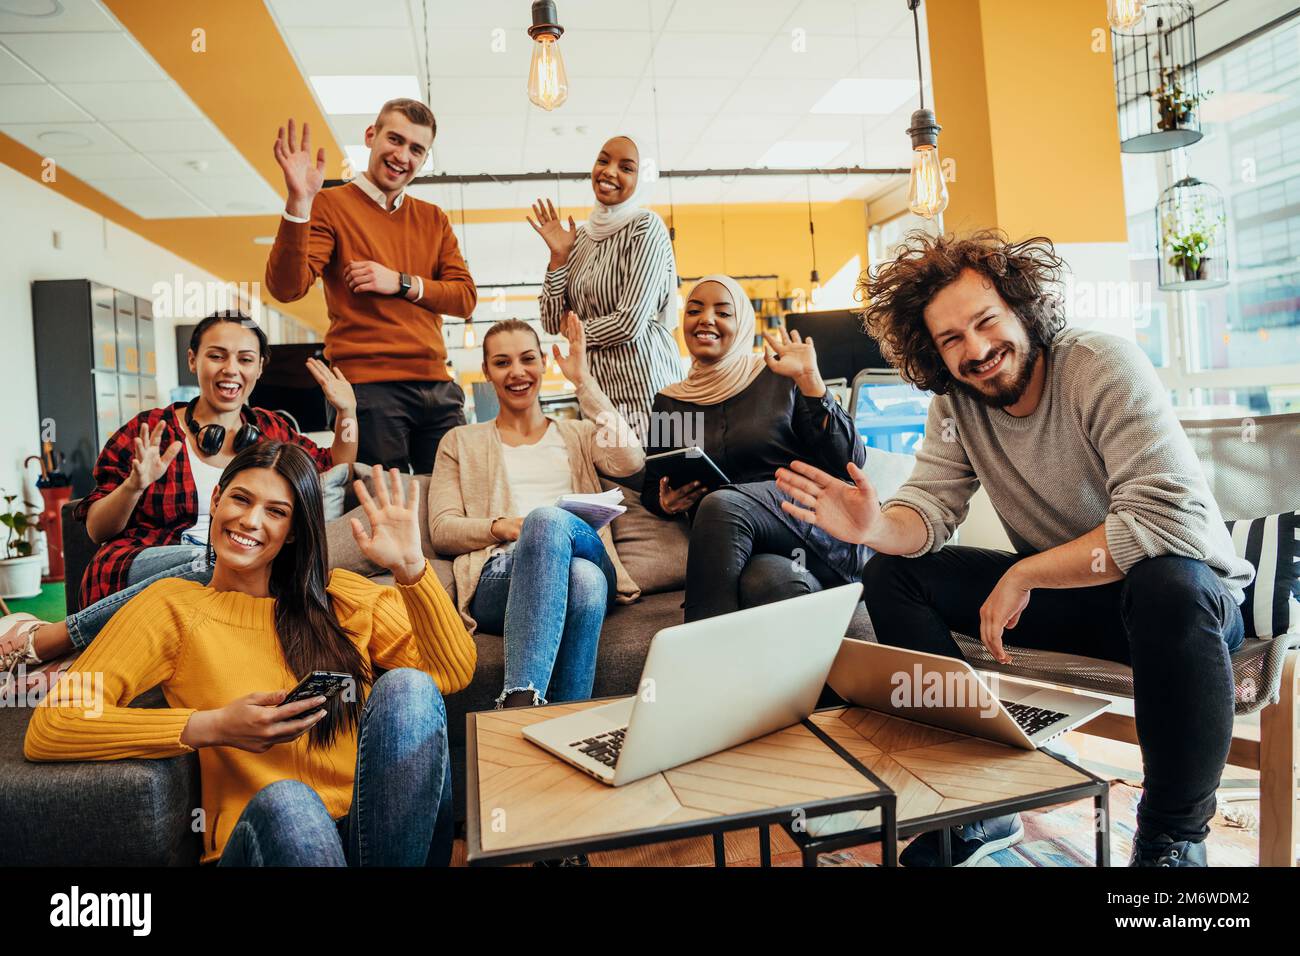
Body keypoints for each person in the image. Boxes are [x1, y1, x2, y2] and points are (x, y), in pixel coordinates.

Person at [774, 230, 1254, 868]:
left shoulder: (1100, 364)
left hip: (1187, 611)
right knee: (893, 573)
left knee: (1170, 583)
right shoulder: (958, 401)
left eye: (985, 322)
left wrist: (1026, 572)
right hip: (1078, 605)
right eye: (951, 339)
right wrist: (875, 529)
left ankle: (1172, 843)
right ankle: (979, 803)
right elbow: (931, 505)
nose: (975, 350)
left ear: (1023, 308)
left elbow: (1168, 522)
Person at [25, 444, 476, 866]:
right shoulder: (173, 606)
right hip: (269, 835)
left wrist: (411, 568)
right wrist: (214, 725)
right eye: (241, 499)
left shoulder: (341, 596)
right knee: (290, 800)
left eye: (276, 512)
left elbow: (451, 674)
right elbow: (52, 725)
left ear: (295, 531)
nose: (250, 521)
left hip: (373, 836)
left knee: (408, 685)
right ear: (217, 499)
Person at [0, 312, 355, 675]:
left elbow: (335, 464)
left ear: (260, 367)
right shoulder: (149, 429)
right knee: (224, 562)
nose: (230, 369)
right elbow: (95, 531)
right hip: (143, 560)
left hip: (235, 561)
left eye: (245, 359)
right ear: (193, 359)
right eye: (216, 355)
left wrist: (347, 411)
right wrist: (133, 486)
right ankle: (55, 639)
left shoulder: (271, 432)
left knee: (242, 566)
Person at [429, 313, 643, 707]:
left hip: (585, 552)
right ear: (487, 372)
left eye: (528, 359)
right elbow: (443, 529)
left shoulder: (578, 434)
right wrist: (509, 527)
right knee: (584, 582)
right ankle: (566, 723)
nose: (517, 372)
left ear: (544, 363)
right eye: (502, 362)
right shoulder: (459, 441)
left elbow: (630, 460)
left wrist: (583, 381)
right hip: (500, 577)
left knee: (552, 526)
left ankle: (519, 702)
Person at [265, 98, 477, 472]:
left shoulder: (433, 219)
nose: (402, 156)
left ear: (424, 159)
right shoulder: (330, 205)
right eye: (395, 140)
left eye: (416, 149)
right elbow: (286, 289)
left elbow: (464, 299)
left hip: (437, 385)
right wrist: (299, 202)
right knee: (379, 506)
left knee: (451, 503)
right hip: (367, 389)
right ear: (370, 136)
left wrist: (400, 282)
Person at [641, 275, 868, 623]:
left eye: (723, 312)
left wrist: (811, 382)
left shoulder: (777, 374)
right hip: (747, 551)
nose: (706, 319)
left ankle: (696, 663)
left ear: (742, 322)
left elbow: (850, 461)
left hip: (807, 524)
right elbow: (652, 486)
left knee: (723, 502)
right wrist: (665, 502)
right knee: (775, 583)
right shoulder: (672, 402)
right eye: (695, 310)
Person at [530, 134, 681, 434]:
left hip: (649, 385)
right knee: (611, 477)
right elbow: (549, 321)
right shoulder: (580, 238)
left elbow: (630, 323)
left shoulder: (646, 227)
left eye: (626, 167)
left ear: (643, 179)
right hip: (596, 390)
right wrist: (559, 257)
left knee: (667, 476)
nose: (609, 171)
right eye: (603, 160)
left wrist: (574, 332)